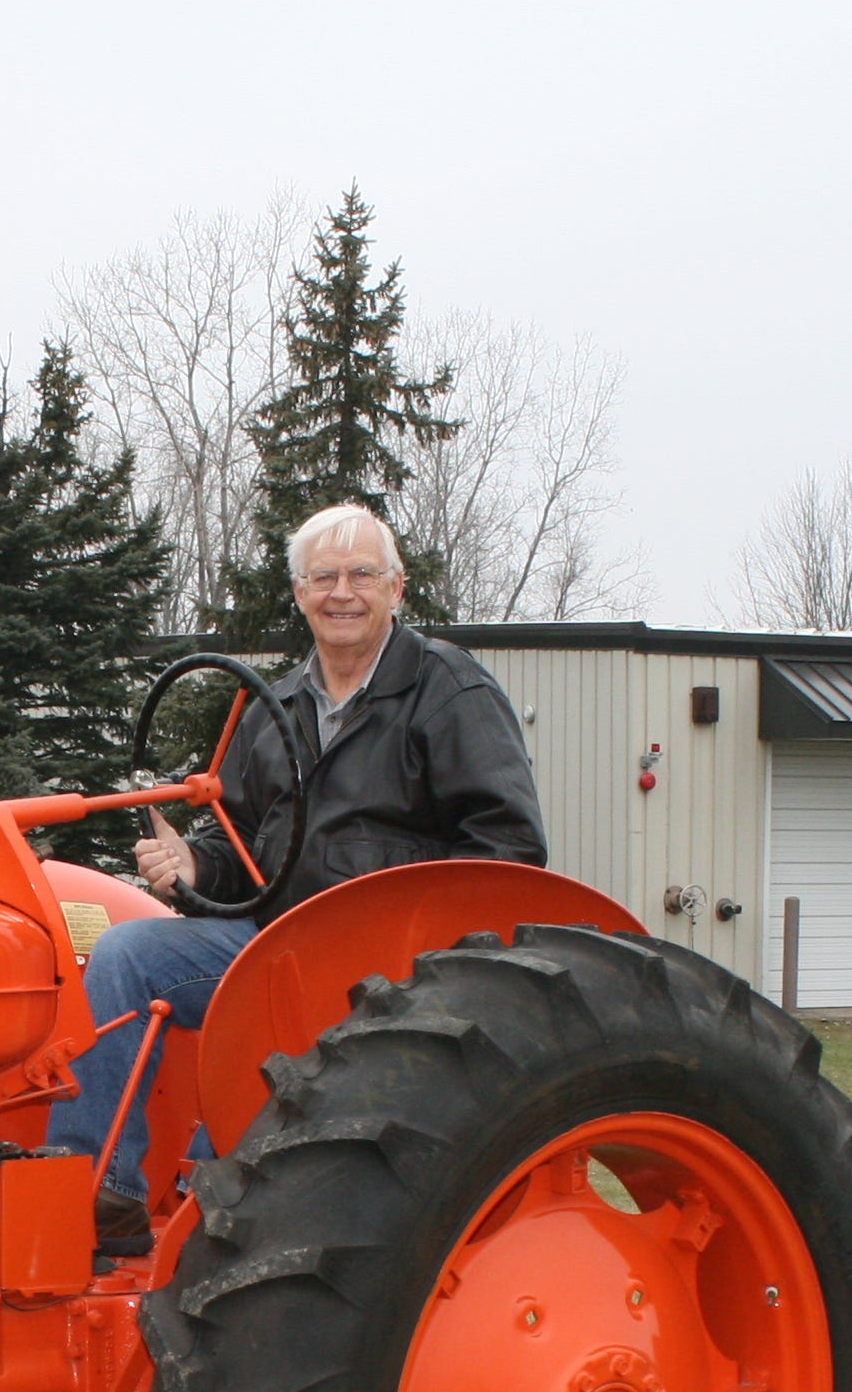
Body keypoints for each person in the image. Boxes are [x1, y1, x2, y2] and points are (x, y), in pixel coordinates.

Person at [49, 501, 547, 1245]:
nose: (341, 591)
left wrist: (388, 914)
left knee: (267, 1052)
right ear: (299, 593)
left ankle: (216, 1203)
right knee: (128, 953)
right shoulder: (274, 706)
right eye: (323, 576)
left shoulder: (448, 691)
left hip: (388, 959)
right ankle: (97, 1188)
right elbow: (247, 851)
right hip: (270, 941)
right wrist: (195, 863)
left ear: (396, 588)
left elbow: (508, 846)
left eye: (360, 575)